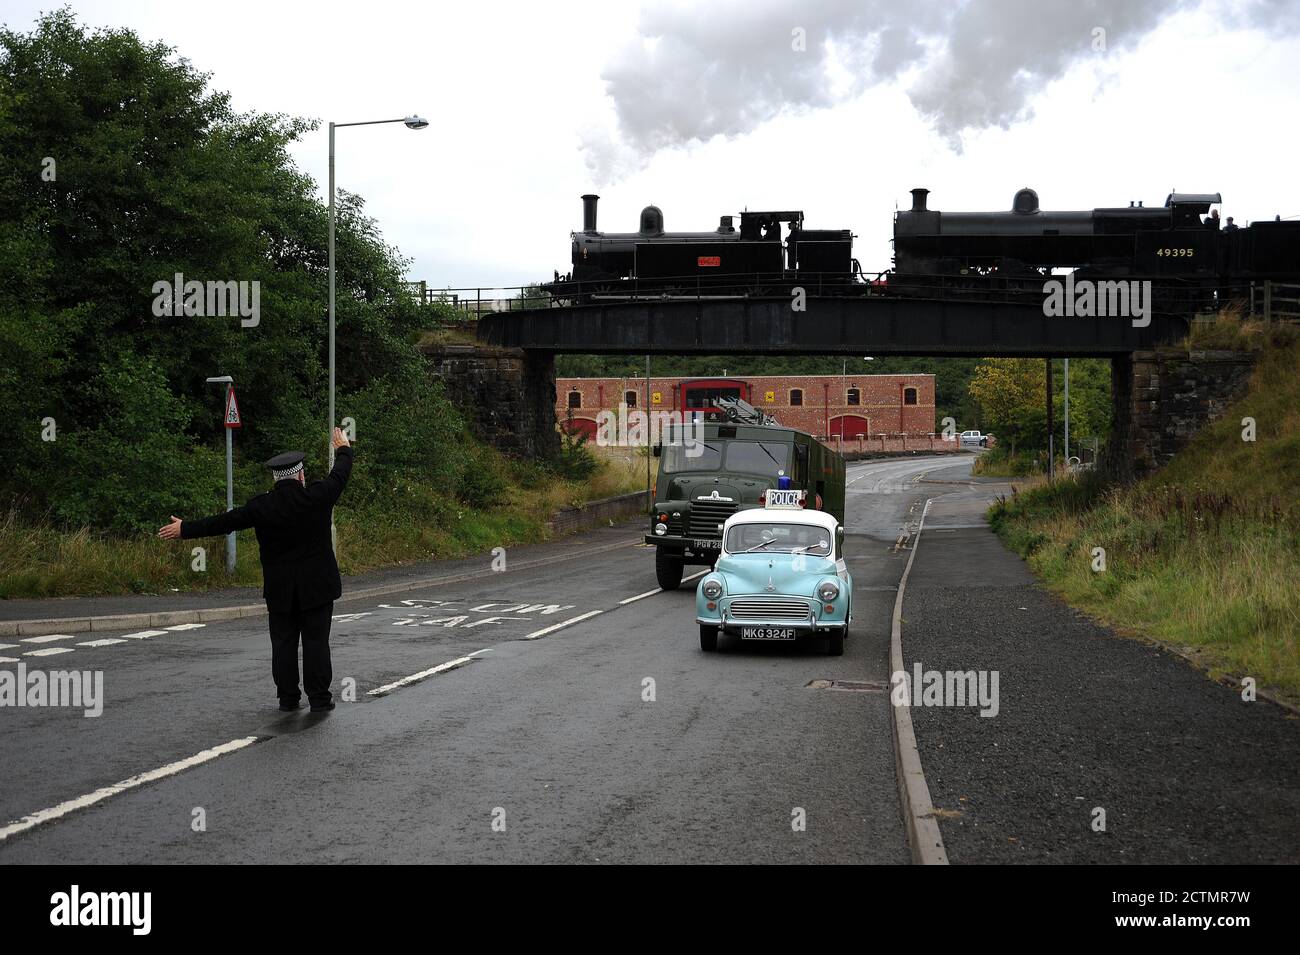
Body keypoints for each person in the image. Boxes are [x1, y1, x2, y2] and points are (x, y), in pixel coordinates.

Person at [158, 428, 355, 712]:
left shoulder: (261, 507)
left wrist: (184, 529)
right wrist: (343, 448)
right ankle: (320, 698)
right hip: (317, 588)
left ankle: (288, 699)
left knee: (284, 644)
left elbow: (223, 522)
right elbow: (340, 475)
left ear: (275, 478)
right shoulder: (317, 496)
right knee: (316, 643)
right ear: (300, 475)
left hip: (280, 591)